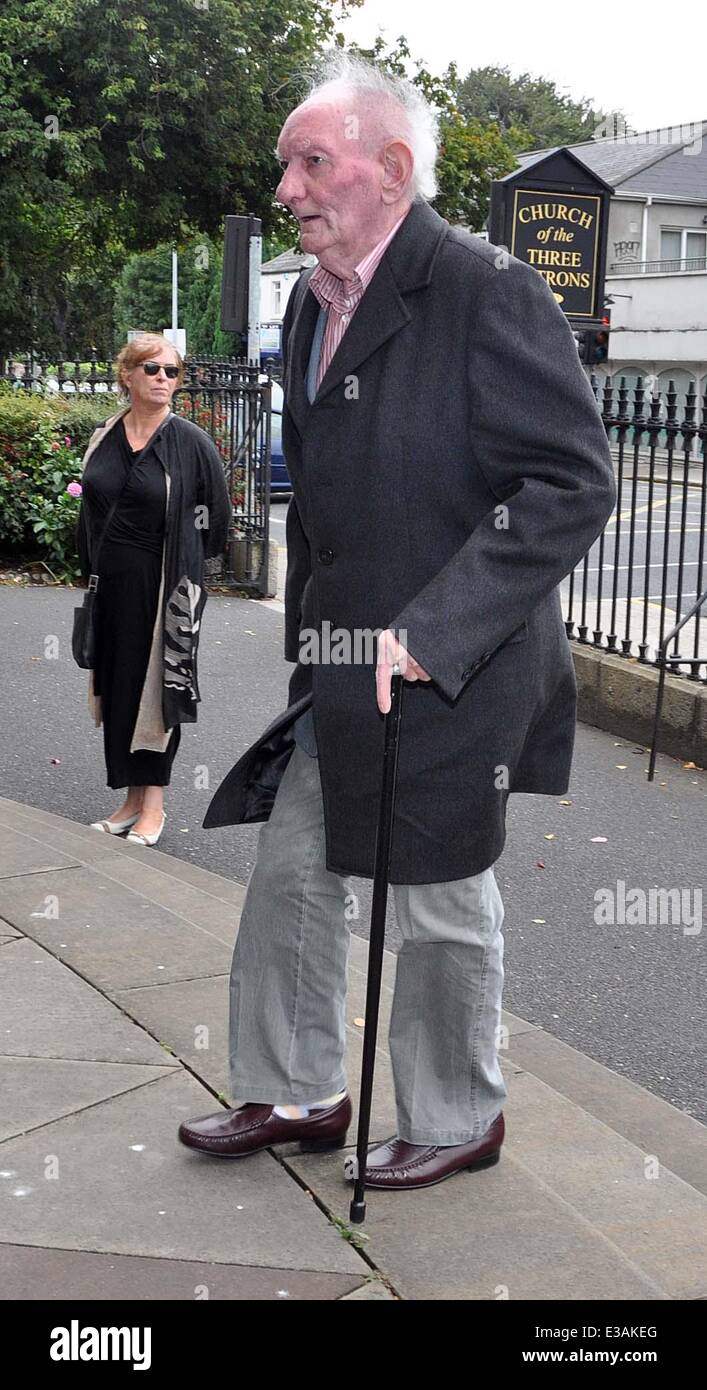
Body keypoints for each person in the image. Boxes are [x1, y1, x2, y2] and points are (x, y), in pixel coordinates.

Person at [179, 55, 617, 1190]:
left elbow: (570, 481)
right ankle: (298, 1088)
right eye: (286, 163)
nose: (287, 187)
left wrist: (433, 628)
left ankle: (457, 1112)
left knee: (437, 901)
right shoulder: (307, 304)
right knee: (293, 873)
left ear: (391, 167)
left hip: (455, 665)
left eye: (308, 160)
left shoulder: (484, 288)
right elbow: (328, 502)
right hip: (340, 661)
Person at [76, 333, 231, 846]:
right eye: (153, 369)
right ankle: (130, 799)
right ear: (128, 375)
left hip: (166, 585)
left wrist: (181, 563)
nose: (164, 379)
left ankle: (155, 807)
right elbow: (91, 512)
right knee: (119, 688)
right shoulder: (106, 436)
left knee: (161, 693)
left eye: (172, 371)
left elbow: (217, 525)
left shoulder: (189, 443)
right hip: (112, 585)